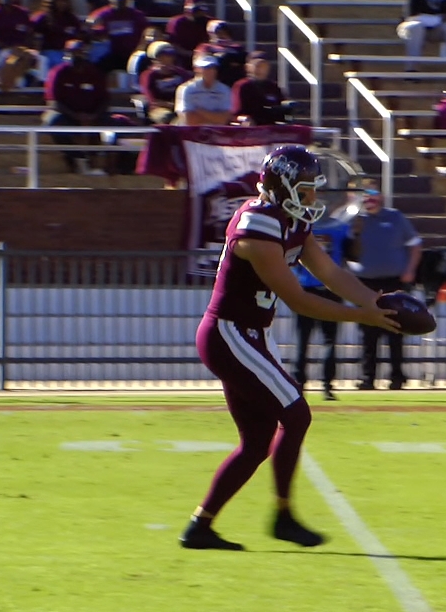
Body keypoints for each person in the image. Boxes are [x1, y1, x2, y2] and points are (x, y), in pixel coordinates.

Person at [179, 146, 400, 551]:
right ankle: (283, 516)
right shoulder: (257, 225)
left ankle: (200, 526)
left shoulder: (291, 219)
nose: (313, 196)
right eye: (305, 188)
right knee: (296, 414)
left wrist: (377, 302)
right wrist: (364, 317)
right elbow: (298, 300)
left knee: (257, 441)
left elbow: (330, 272)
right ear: (283, 187)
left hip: (253, 335)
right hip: (230, 334)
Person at [351, 178, 422, 391]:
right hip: (365, 284)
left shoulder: (396, 217)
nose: (368, 198)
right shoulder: (355, 221)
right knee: (368, 332)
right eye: (364, 194)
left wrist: (410, 270)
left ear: (381, 195)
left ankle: (397, 377)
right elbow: (344, 248)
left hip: (393, 283)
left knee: (396, 331)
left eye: (372, 193)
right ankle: (368, 378)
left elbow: (415, 245)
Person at [293, 213, 353, 402]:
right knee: (326, 340)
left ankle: (301, 385)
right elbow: (352, 253)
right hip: (325, 288)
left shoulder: (304, 227)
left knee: (306, 340)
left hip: (311, 288)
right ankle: (325, 386)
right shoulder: (340, 227)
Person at [42, 39, 111, 175]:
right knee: (53, 121)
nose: (78, 55)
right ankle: (76, 157)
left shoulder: (95, 72)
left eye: (81, 52)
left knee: (113, 122)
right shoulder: (58, 73)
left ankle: (111, 165)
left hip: (92, 115)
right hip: (66, 114)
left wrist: (93, 116)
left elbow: (105, 99)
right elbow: (53, 102)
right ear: (66, 53)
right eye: (74, 52)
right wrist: (76, 116)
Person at [87, 0, 146, 75]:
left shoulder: (136, 15)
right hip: (111, 53)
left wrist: (138, 48)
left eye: (123, 0)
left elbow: (144, 32)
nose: (119, 3)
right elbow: (93, 28)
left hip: (132, 53)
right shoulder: (103, 14)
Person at [399, 0, 446, 71]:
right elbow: (409, 16)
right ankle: (411, 69)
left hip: (436, 28)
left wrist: (435, 19)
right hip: (415, 29)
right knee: (416, 27)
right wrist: (436, 18)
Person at [230, 50, 289, 126]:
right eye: (257, 66)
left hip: (271, 127)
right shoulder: (241, 86)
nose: (260, 69)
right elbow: (234, 115)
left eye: (263, 66)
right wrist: (245, 119)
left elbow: (281, 109)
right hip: (250, 128)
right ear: (247, 67)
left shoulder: (273, 87)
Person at [139, 40, 190, 124]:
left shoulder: (181, 73)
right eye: (163, 55)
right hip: (159, 109)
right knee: (168, 116)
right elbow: (152, 99)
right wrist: (169, 105)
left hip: (181, 107)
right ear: (155, 57)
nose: (167, 58)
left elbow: (189, 90)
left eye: (170, 55)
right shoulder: (148, 75)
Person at [174, 52, 232, 126]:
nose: (209, 71)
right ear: (196, 69)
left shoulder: (224, 90)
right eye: (205, 68)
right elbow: (189, 120)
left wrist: (199, 111)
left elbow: (223, 120)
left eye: (212, 67)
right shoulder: (186, 89)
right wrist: (215, 117)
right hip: (190, 131)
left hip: (216, 131)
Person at [30, 0, 82, 72]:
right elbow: (34, 35)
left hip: (67, 52)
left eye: (65, 1)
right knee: (58, 63)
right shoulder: (43, 18)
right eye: (59, 1)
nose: (62, 3)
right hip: (48, 52)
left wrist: (75, 43)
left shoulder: (71, 18)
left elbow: (78, 35)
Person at [164, 0, 211, 70]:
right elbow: (173, 45)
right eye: (196, 11)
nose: (200, 14)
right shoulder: (177, 22)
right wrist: (191, 54)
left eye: (201, 11)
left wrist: (202, 52)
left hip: (203, 57)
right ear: (187, 10)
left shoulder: (209, 22)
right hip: (181, 60)